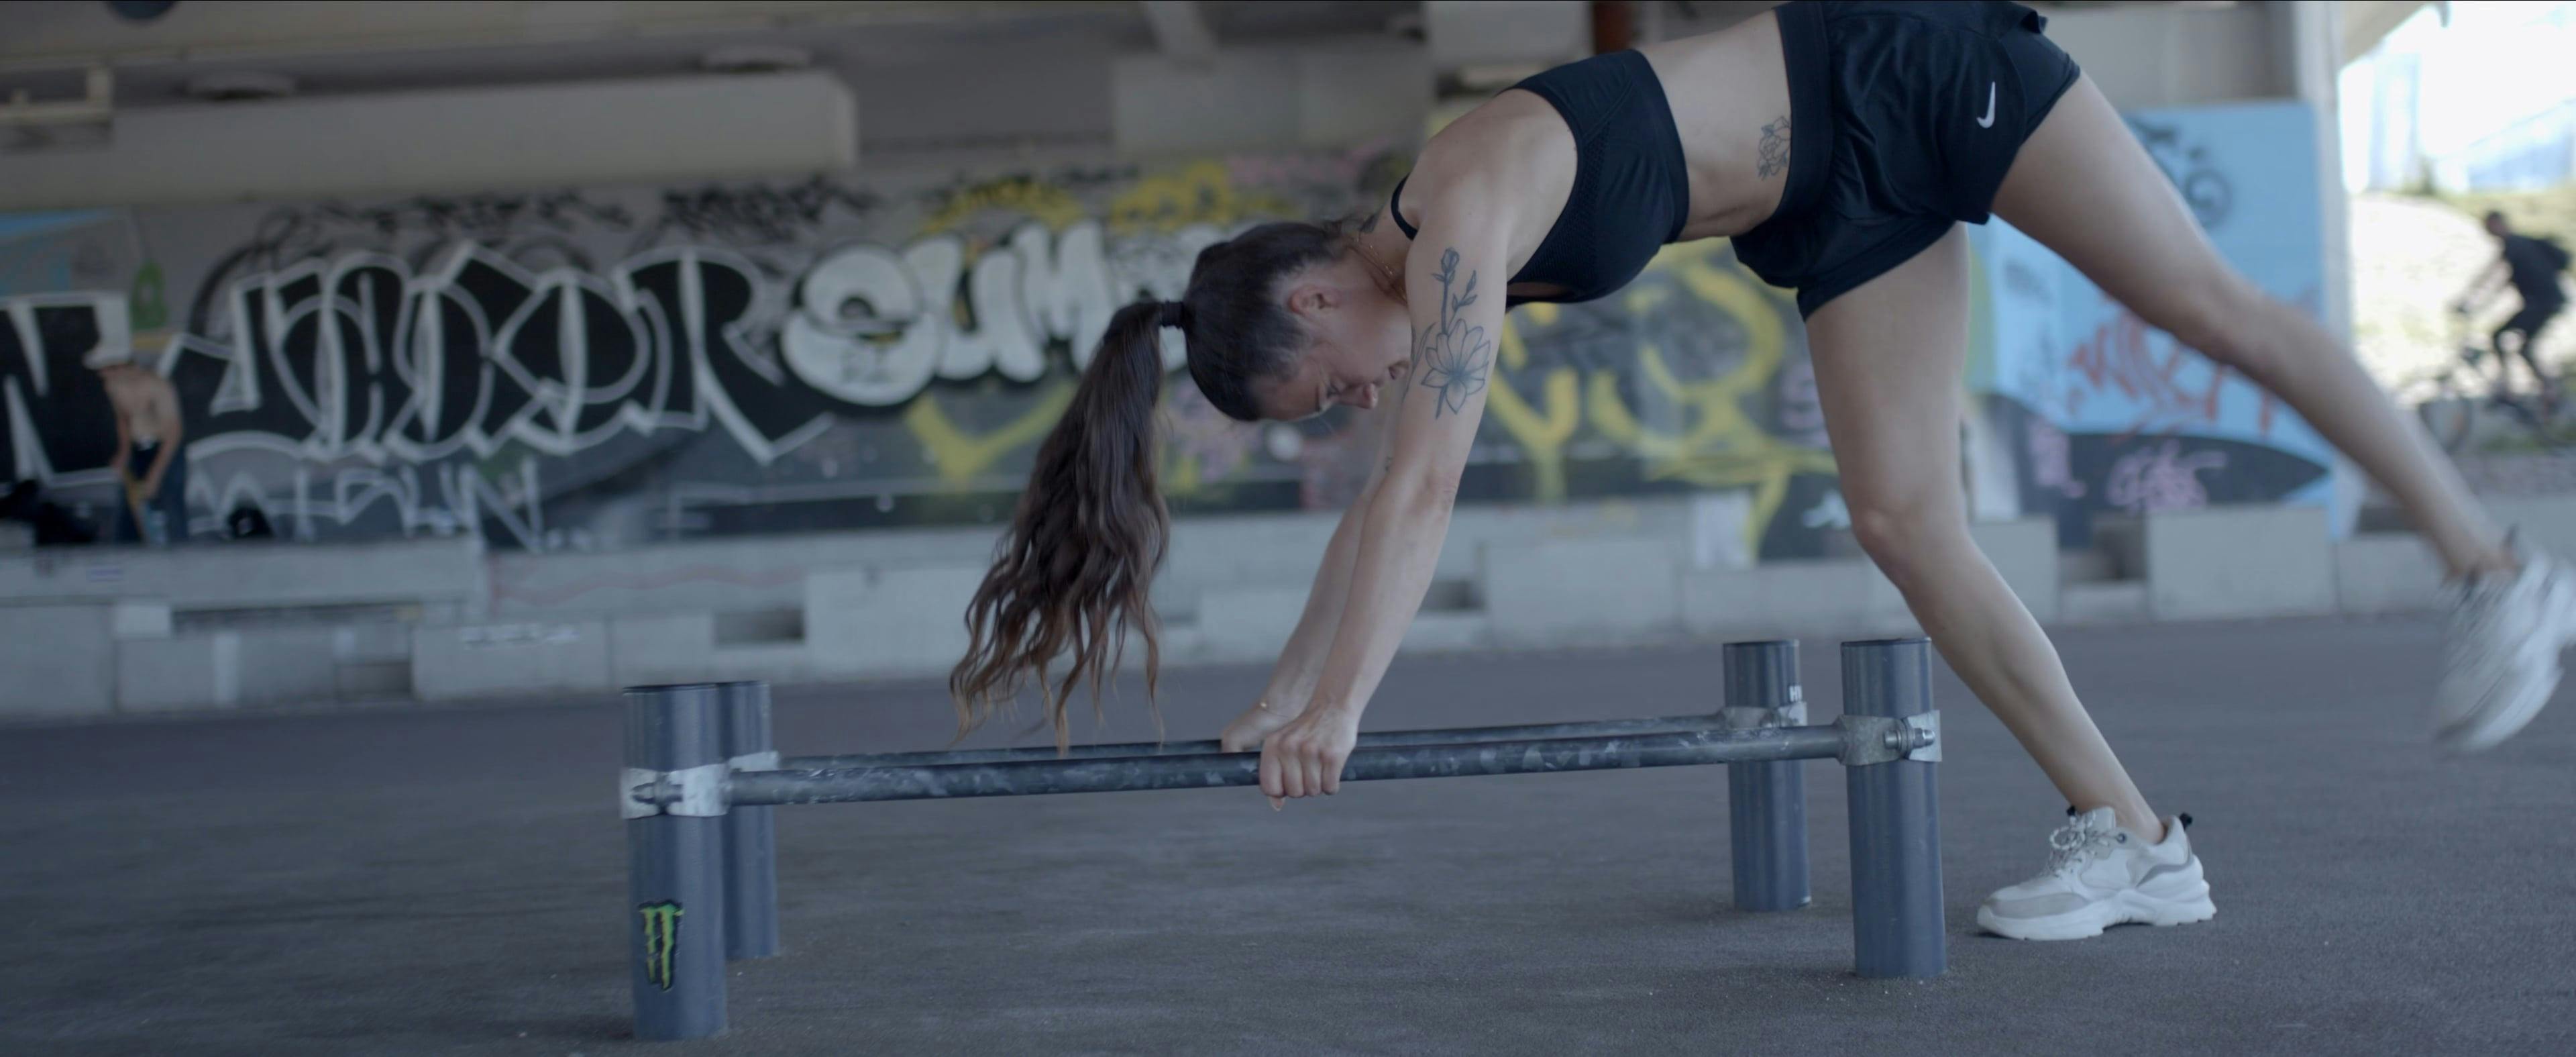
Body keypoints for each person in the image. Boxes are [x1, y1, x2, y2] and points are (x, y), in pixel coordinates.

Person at [949, 1, 2570, 943]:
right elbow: (1389, 493)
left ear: (1308, 296)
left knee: (2196, 304)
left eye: (1317, 389)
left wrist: (1346, 713)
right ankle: (2135, 838)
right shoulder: (1426, 258)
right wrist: (1281, 694)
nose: (1346, 402)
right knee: (1897, 515)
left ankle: (2488, 566)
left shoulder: (1463, 207)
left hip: (1906, 74)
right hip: (1829, 210)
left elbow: (1421, 490)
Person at [2455, 211, 2571, 407]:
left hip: (2543, 304)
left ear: (2499, 223)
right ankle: (2546, 389)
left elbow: (2491, 276)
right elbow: (2503, 284)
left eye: (2490, 226)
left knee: (2499, 338)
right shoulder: (2522, 246)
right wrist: (2478, 304)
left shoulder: (2513, 246)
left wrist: (2467, 301)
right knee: (2522, 346)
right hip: (2546, 303)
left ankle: (2512, 389)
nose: (2489, 231)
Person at [91, 341, 189, 546]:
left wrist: (155, 475)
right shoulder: (113, 386)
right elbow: (123, 420)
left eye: (106, 370)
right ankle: (125, 555)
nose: (103, 375)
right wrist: (124, 452)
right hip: (138, 449)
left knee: (172, 505)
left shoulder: (157, 386)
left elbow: (174, 433)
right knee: (128, 504)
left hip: (166, 449)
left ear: (120, 366)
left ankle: (183, 560)